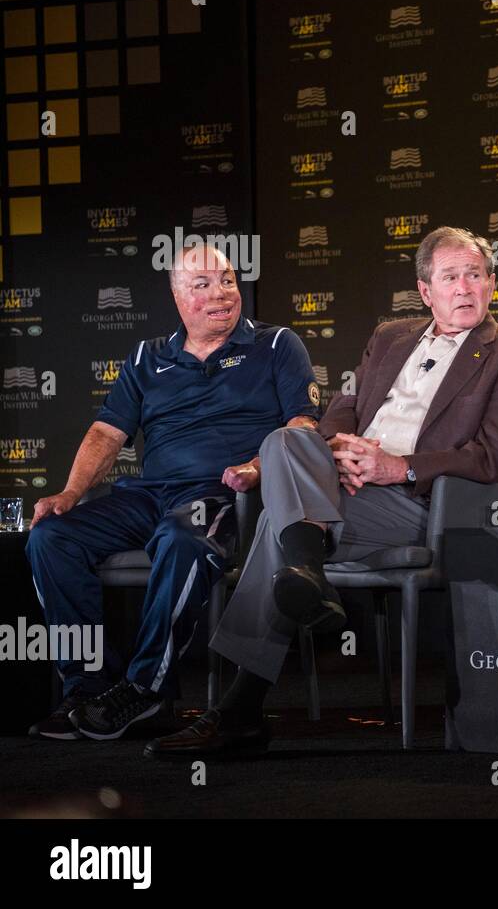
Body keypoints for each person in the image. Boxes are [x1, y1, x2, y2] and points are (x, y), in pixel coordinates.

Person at [146, 226, 498, 757]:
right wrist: (339, 451)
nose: (464, 287)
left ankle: (248, 693)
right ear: (426, 291)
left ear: (492, 284)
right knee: (287, 439)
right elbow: (342, 409)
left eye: (475, 275)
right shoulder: (389, 338)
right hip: (344, 486)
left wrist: (396, 467)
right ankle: (303, 574)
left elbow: (492, 455)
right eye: (451, 277)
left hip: (422, 504)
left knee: (274, 525)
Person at [25, 245, 319, 740]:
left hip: (221, 493)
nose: (220, 294)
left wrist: (255, 466)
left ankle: (145, 691)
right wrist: (71, 492)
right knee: (51, 536)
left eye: (227, 280)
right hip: (147, 495)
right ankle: (88, 687)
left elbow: (303, 426)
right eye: (202, 284)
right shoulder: (147, 355)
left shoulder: (276, 345)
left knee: (183, 540)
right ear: (178, 296)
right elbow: (107, 433)